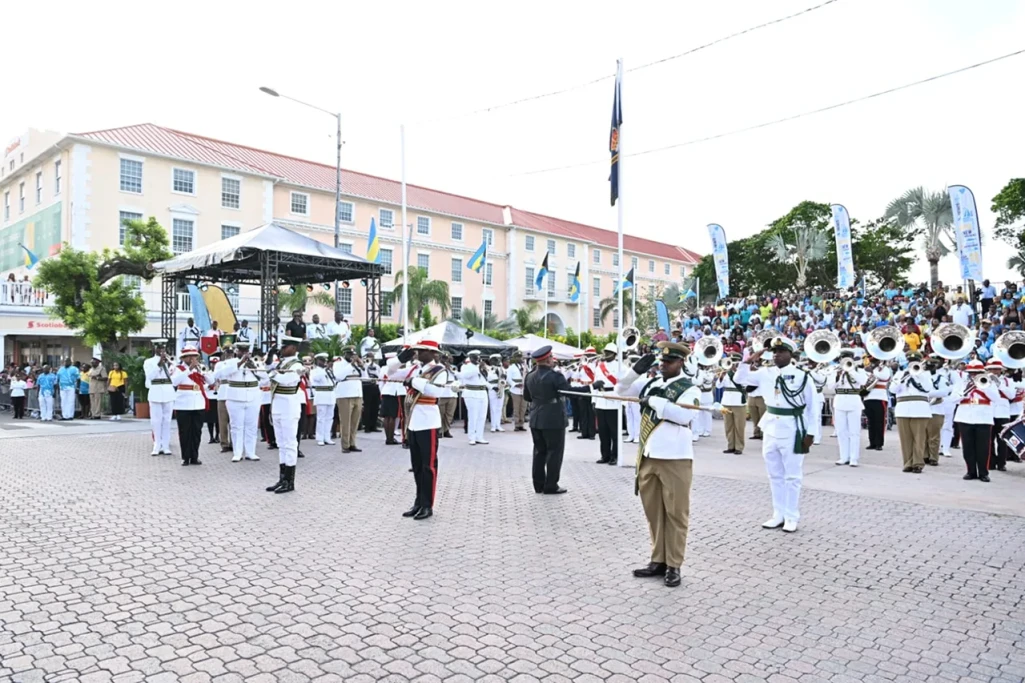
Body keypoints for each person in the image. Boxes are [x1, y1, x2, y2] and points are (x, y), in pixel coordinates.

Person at [619, 342, 701, 588]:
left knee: (676, 514)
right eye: (661, 362)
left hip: (675, 458)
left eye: (669, 362)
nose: (663, 365)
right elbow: (621, 390)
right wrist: (635, 372)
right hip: (648, 455)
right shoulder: (651, 383)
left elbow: (685, 415)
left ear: (680, 363)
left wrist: (654, 403)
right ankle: (658, 560)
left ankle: (674, 565)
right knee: (654, 513)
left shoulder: (689, 389)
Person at [734, 338, 818, 533]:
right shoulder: (765, 373)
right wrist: (749, 360)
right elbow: (739, 379)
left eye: (781, 351)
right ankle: (777, 514)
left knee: (792, 476)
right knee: (774, 475)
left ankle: (791, 516)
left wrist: (811, 433)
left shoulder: (802, 376)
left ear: (791, 354)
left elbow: (813, 407)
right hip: (771, 427)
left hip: (793, 429)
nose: (776, 355)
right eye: (774, 351)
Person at [400, 340, 447, 520]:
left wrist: (415, 382)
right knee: (417, 466)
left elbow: (436, 393)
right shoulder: (416, 369)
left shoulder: (439, 371)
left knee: (429, 466)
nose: (417, 353)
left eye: (421, 351)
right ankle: (418, 501)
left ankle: (428, 505)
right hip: (414, 421)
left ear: (432, 353)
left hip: (428, 421)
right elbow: (391, 372)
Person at [522, 345, 570, 494]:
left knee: (539, 452)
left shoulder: (529, 376)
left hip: (536, 418)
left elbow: (527, 397)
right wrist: (591, 387)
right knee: (554, 452)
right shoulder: (555, 376)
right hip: (553, 419)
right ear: (548, 359)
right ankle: (551, 485)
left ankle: (538, 485)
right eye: (551, 357)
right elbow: (569, 392)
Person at [266, 336, 305, 493]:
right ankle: (282, 478)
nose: (282, 349)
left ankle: (290, 481)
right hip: (278, 406)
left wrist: (271, 373)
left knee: (290, 444)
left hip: (290, 406)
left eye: (285, 347)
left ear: (294, 348)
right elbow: (266, 372)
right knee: (281, 443)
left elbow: (287, 379)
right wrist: (269, 358)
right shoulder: (281, 363)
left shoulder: (297, 365)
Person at [215, 341, 265, 462]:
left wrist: (254, 367)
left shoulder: (256, 363)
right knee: (236, 426)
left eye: (245, 351)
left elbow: (266, 378)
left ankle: (250, 452)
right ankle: (237, 452)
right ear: (236, 351)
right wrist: (240, 363)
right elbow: (219, 375)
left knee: (251, 426)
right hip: (235, 397)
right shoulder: (229, 362)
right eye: (241, 351)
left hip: (253, 396)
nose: (243, 353)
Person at [891, 353, 939, 474]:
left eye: (915, 360)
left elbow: (928, 388)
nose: (913, 362)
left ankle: (918, 463)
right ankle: (907, 463)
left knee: (919, 438)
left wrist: (919, 375)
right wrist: (903, 378)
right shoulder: (900, 374)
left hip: (920, 409)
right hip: (903, 408)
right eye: (910, 360)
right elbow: (892, 389)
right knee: (905, 439)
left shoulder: (925, 374)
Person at [952, 359, 999, 483]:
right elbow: (953, 399)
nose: (974, 375)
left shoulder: (989, 383)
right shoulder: (961, 383)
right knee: (968, 446)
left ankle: (984, 472)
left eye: (976, 372)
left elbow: (996, 398)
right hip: (965, 416)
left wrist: (983, 388)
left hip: (983, 417)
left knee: (983, 447)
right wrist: (966, 391)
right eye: (971, 372)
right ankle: (971, 471)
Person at [172, 347, 211, 466]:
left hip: (198, 403)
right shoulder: (178, 369)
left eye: (194, 356)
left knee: (196, 432)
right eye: (189, 356)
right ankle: (186, 457)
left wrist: (203, 372)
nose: (192, 358)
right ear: (184, 358)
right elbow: (174, 381)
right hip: (183, 404)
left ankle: (195, 456)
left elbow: (211, 381)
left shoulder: (200, 368)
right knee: (185, 432)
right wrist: (189, 369)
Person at [828, 351, 868, 466]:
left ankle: (854, 458)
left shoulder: (859, 370)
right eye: (843, 358)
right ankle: (843, 456)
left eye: (848, 358)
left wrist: (851, 371)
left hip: (854, 400)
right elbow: (831, 386)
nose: (845, 361)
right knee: (841, 431)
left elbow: (863, 382)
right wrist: (838, 375)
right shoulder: (835, 371)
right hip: (840, 401)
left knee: (854, 431)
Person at [592, 343, 623, 465]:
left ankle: (615, 456)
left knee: (614, 432)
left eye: (609, 352)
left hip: (613, 400)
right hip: (600, 400)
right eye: (605, 351)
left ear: (615, 354)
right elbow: (594, 385)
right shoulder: (599, 366)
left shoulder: (619, 366)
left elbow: (622, 384)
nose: (606, 354)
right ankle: (605, 455)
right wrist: (593, 401)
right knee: (603, 432)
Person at [145, 341, 177, 456]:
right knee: (156, 420)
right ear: (155, 349)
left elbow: (175, 376)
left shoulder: (171, 362)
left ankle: (166, 445)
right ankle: (157, 444)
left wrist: (170, 364)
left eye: (163, 348)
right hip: (155, 391)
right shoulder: (149, 362)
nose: (161, 350)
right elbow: (150, 376)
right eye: (159, 348)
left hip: (168, 391)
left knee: (167, 420)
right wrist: (159, 364)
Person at [333, 348, 364, 453]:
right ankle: (345, 445)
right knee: (345, 422)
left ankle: (352, 443)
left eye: (353, 354)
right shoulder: (339, 363)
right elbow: (338, 376)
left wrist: (361, 365)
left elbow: (365, 376)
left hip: (357, 394)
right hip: (344, 395)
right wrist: (351, 364)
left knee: (355, 422)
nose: (352, 356)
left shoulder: (357, 364)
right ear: (344, 354)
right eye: (349, 354)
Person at [717, 352, 747, 454]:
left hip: (738, 402)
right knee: (728, 426)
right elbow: (719, 386)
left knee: (739, 426)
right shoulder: (725, 373)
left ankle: (739, 447)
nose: (732, 365)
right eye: (731, 362)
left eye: (735, 363)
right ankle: (730, 446)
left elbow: (743, 384)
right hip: (726, 401)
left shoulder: (743, 373)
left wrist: (735, 372)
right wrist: (721, 377)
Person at [459, 350, 489, 445]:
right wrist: (478, 369)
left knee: (482, 416)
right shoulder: (466, 367)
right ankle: (472, 437)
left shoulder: (481, 367)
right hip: (471, 393)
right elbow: (465, 376)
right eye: (475, 357)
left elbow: (485, 379)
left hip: (482, 392)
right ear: (470, 358)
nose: (478, 359)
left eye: (478, 357)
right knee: (473, 416)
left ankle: (479, 436)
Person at [310, 353, 337, 446]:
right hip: (321, 394)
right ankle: (320, 438)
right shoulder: (315, 371)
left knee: (330, 417)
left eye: (325, 360)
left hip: (330, 395)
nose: (324, 362)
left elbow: (334, 380)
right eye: (322, 360)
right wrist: (325, 370)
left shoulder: (328, 371)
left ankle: (327, 437)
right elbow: (315, 380)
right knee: (321, 418)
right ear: (317, 361)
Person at [863, 360, 891, 450]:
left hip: (880, 398)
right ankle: (872, 442)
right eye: (872, 360)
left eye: (875, 360)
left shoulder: (884, 369)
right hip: (868, 397)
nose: (873, 362)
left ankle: (879, 443)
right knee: (870, 422)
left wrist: (873, 371)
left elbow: (885, 377)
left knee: (879, 422)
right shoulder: (867, 369)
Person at [361, 352, 382, 432]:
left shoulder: (377, 366)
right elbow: (364, 374)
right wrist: (366, 364)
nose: (371, 359)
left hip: (375, 386)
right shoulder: (364, 365)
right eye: (369, 357)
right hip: (367, 386)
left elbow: (379, 375)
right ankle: (367, 426)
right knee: (367, 407)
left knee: (375, 407)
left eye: (372, 357)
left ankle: (373, 425)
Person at [507, 352, 528, 432]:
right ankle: (516, 424)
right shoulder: (511, 367)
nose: (520, 359)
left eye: (521, 357)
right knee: (516, 408)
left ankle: (521, 424)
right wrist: (515, 384)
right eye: (518, 357)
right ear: (515, 358)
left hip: (524, 389)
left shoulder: (525, 366)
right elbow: (508, 379)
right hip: (515, 390)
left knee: (523, 408)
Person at [486, 354, 506, 433]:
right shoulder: (488, 369)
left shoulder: (502, 369)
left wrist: (504, 378)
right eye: (495, 359)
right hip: (493, 389)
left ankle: (498, 425)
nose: (498, 361)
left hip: (501, 388)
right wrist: (492, 387)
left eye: (498, 359)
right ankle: (493, 426)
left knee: (499, 407)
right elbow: (486, 381)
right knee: (493, 408)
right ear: (491, 361)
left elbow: (504, 378)